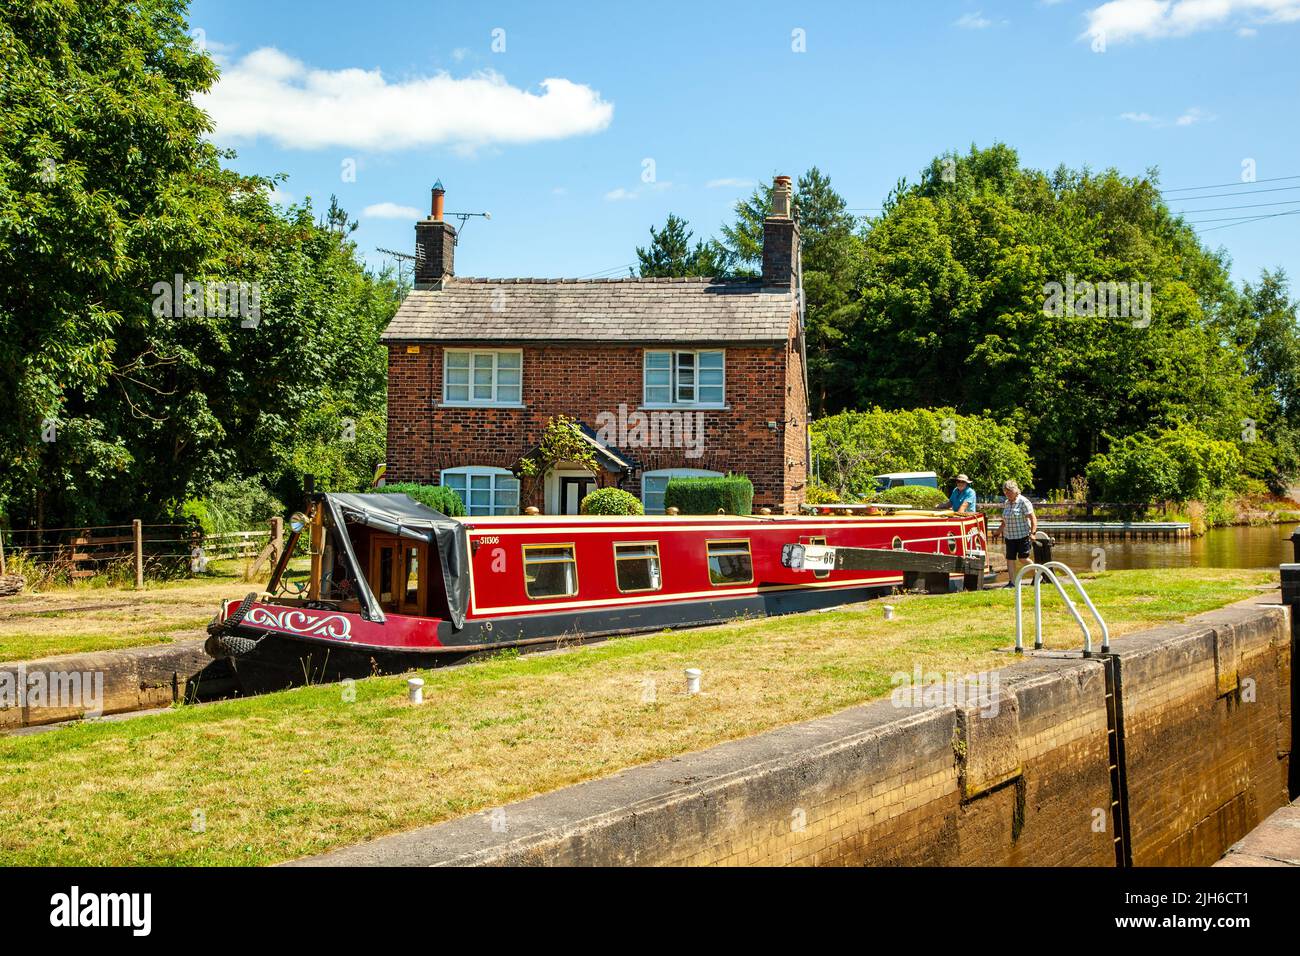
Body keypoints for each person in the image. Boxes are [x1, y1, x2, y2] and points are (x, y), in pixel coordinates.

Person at [1001, 479, 1037, 583]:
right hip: (1009, 536)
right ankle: (1012, 582)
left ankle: (1037, 575)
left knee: (1023, 559)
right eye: (1005, 492)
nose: (1007, 494)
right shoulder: (1006, 503)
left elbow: (1033, 518)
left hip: (1022, 535)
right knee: (1010, 559)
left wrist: (1033, 533)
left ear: (1015, 491)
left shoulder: (1023, 502)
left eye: (1009, 492)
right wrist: (998, 531)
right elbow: (1004, 520)